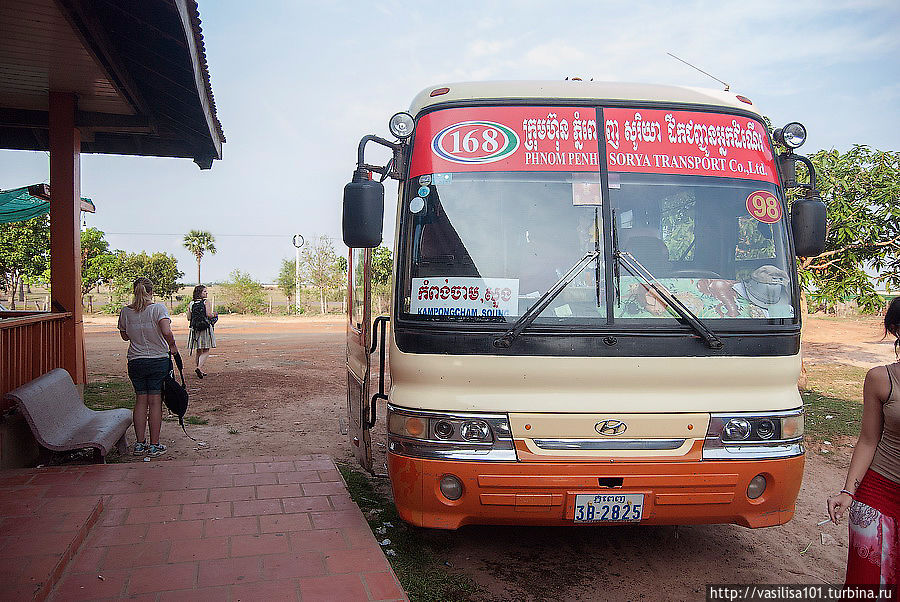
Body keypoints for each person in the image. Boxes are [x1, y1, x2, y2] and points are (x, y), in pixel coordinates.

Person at [827, 296, 900, 586]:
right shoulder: (881, 379)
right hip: (878, 495)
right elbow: (869, 441)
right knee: (868, 586)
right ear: (897, 329)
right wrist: (848, 492)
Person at [117, 277, 178, 457]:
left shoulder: (125, 311)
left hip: (135, 361)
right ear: (151, 291)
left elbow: (125, 336)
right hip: (157, 360)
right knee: (155, 401)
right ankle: (154, 444)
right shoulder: (158, 309)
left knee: (140, 400)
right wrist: (172, 345)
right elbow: (166, 331)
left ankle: (139, 443)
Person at [187, 284, 217, 378]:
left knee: (198, 350)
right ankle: (199, 368)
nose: (206, 292)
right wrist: (214, 314)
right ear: (200, 292)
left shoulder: (191, 303)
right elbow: (208, 314)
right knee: (206, 349)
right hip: (205, 328)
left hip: (195, 329)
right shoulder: (205, 302)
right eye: (204, 291)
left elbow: (189, 318)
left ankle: (199, 368)